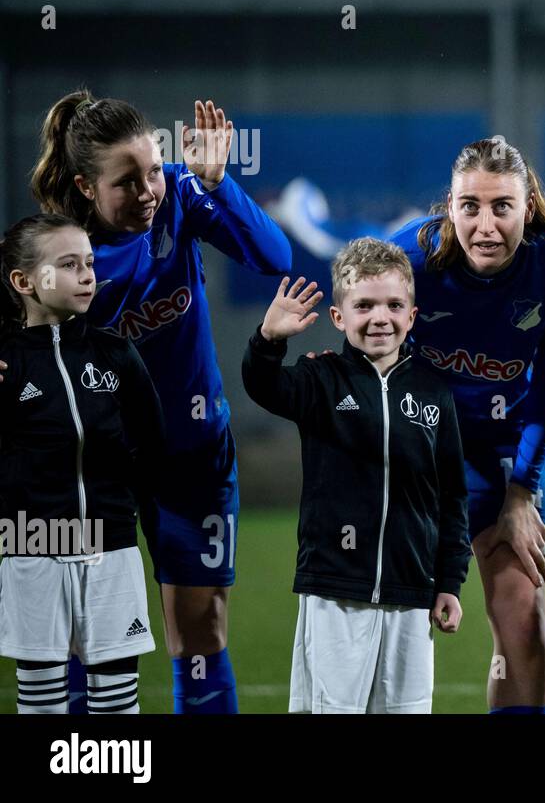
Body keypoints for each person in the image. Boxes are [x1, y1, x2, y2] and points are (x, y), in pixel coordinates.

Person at [16, 90, 294, 713]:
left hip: (192, 454)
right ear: (87, 187)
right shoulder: (58, 254)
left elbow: (274, 257)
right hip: (99, 469)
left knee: (198, 634)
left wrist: (217, 184)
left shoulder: (181, 194)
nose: (148, 190)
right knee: (90, 640)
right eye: (127, 181)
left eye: (152, 169)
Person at [389, 138, 545, 713]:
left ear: (527, 208)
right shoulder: (408, 259)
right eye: (469, 206)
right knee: (398, 622)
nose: (485, 224)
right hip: (420, 449)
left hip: (506, 455)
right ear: (448, 207)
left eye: (501, 206)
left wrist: (522, 491)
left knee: (521, 621)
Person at [241, 240, 469, 713]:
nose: (379, 317)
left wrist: (449, 581)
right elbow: (262, 385)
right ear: (339, 317)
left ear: (411, 315)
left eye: (393, 305)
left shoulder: (434, 394)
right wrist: (268, 340)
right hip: (335, 589)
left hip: (412, 590)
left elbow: (451, 498)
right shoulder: (319, 380)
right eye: (363, 305)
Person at [0, 213, 165, 714]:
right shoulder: (6, 361)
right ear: (24, 282)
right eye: (69, 265)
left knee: (116, 703)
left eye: (90, 263)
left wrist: (132, 516)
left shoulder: (114, 351)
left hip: (110, 545)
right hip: (31, 547)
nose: (87, 274)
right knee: (43, 703)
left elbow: (151, 443)